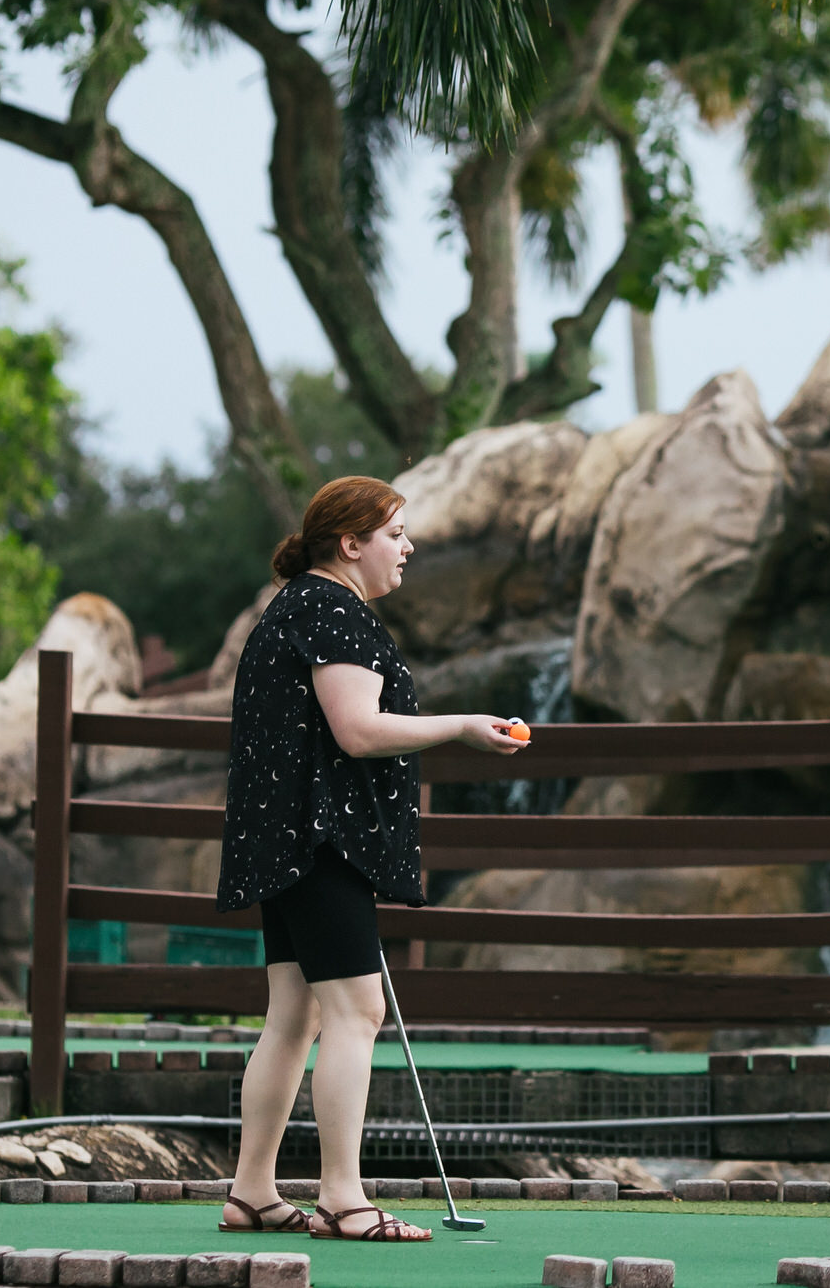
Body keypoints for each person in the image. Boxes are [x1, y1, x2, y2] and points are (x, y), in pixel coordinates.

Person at [212, 476, 524, 1243]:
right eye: (396, 533)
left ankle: (252, 1190)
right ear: (351, 543)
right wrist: (461, 726)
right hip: (322, 842)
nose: (408, 546)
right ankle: (344, 1198)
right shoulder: (333, 610)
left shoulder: (291, 607)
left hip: (283, 841)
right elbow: (356, 729)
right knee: (357, 1011)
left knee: (294, 1015)